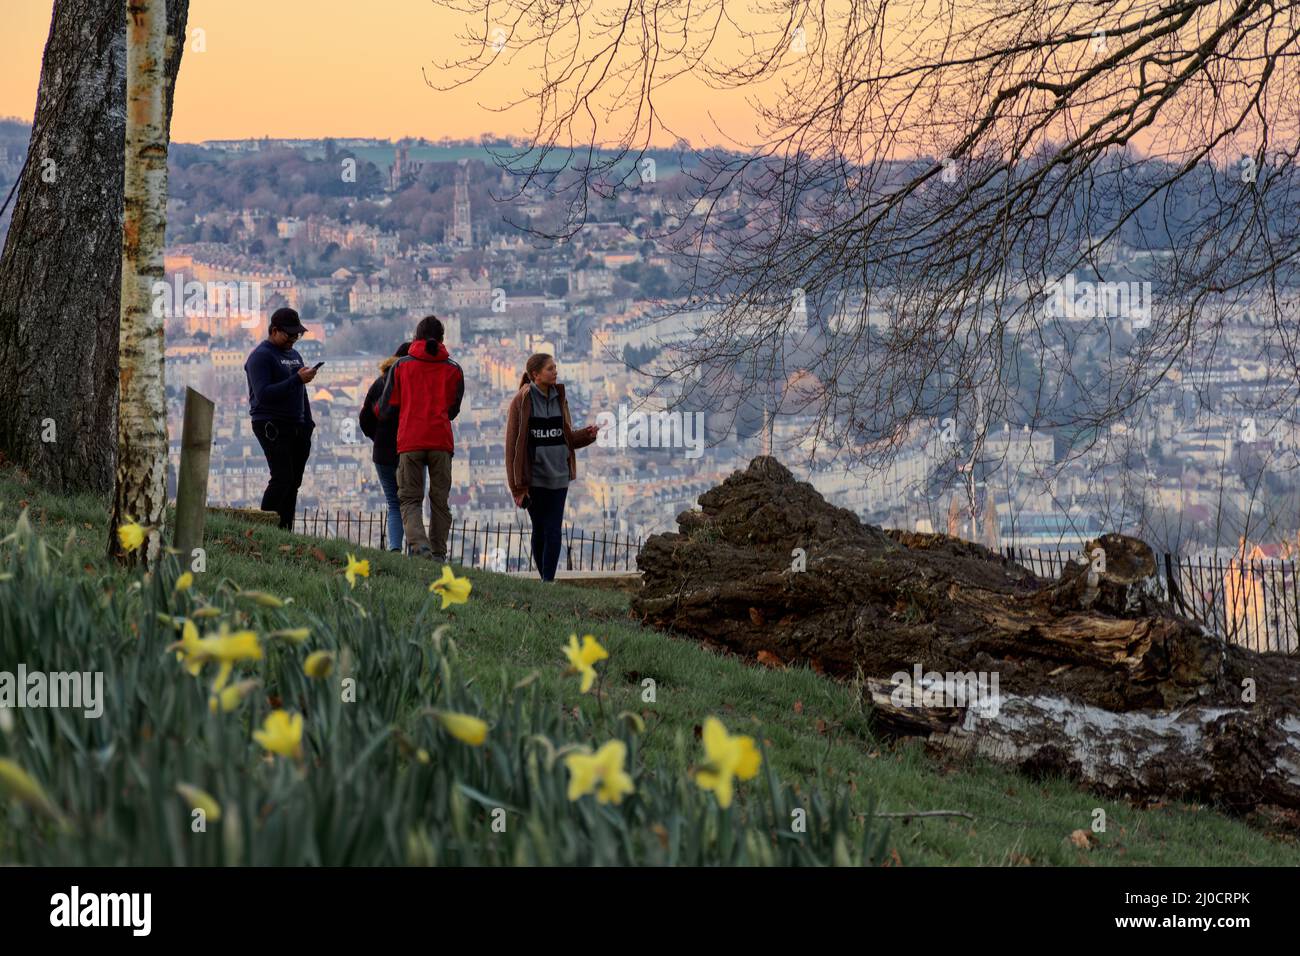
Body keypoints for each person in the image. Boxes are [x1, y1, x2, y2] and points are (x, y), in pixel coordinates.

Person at [505, 353, 599, 582]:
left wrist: (586, 436)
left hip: (559, 475)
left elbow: (563, 437)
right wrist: (517, 487)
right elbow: (512, 447)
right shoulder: (522, 401)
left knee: (554, 529)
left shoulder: (560, 397)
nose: (555, 372)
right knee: (540, 529)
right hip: (534, 478)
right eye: (550, 368)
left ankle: (548, 581)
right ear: (535, 374)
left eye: (555, 367)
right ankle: (545, 579)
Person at [378, 315, 464, 559]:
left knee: (409, 499)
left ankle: (419, 545)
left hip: (410, 440)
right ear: (442, 338)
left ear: (415, 337)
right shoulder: (453, 369)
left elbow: (387, 408)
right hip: (440, 441)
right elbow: (453, 409)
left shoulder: (401, 366)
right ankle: (438, 552)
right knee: (439, 501)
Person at [245, 307, 317, 530]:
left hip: (297, 425)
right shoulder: (260, 357)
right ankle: (263, 529)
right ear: (274, 330)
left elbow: (300, 392)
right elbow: (263, 394)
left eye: (297, 335)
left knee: (293, 482)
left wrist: (308, 423)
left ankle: (285, 530)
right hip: (271, 424)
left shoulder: (294, 355)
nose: (294, 339)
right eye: (289, 334)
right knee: (282, 478)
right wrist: (296, 379)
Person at [359, 342, 412, 552]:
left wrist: (378, 437)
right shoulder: (411, 383)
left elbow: (364, 418)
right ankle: (416, 548)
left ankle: (394, 548)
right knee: (411, 501)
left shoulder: (380, 382)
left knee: (393, 502)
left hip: (382, 453)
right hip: (408, 450)